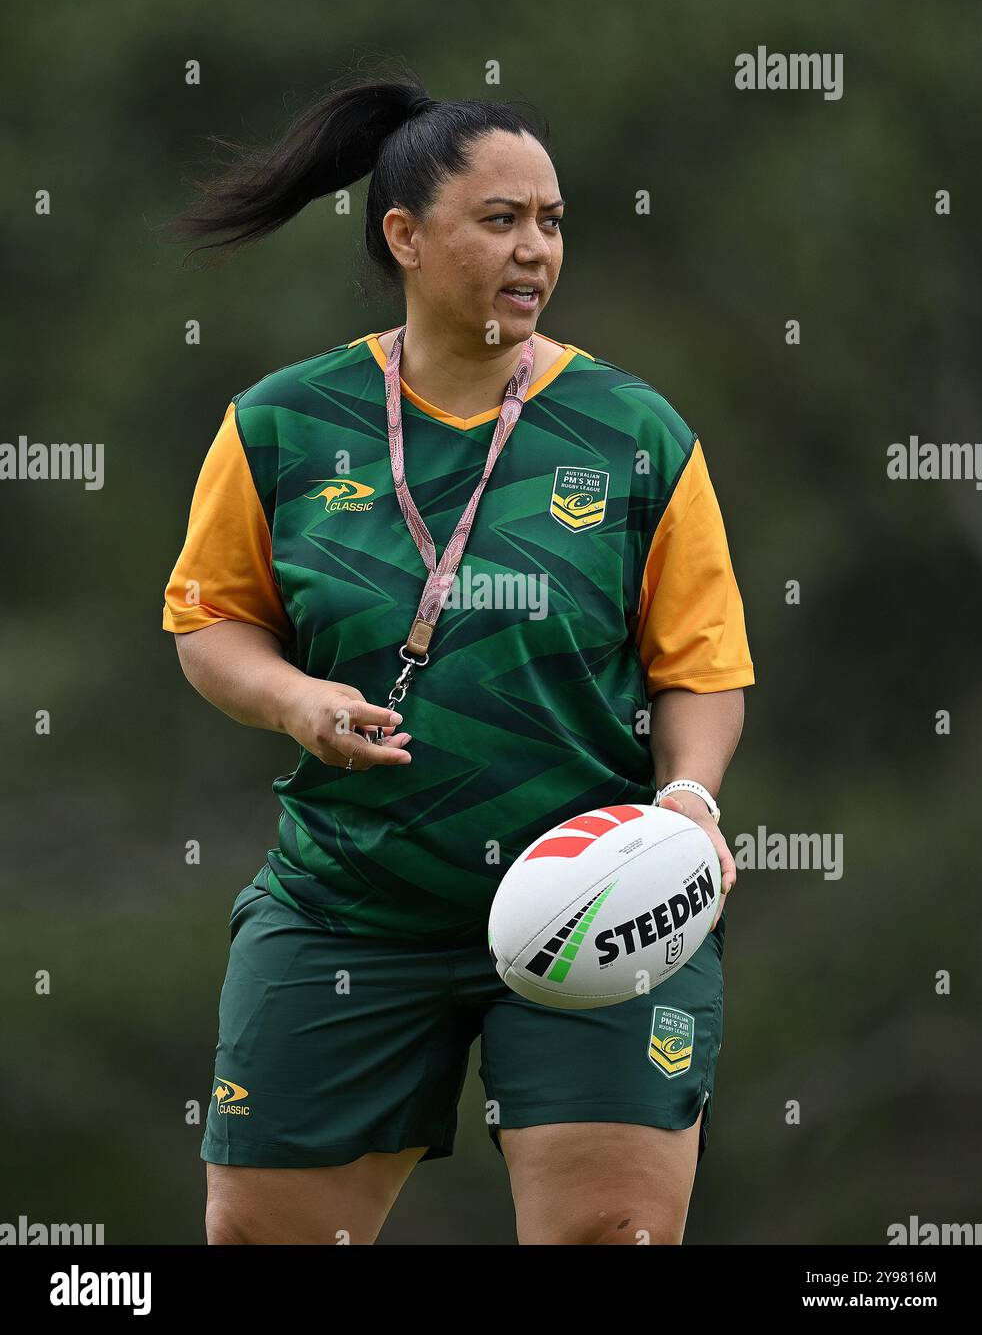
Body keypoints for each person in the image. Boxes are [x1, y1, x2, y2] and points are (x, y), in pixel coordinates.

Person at [161, 65, 755, 1246]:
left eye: (551, 222)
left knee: (613, 1239)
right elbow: (209, 623)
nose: (536, 249)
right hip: (351, 901)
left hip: (603, 899)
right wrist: (294, 702)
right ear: (406, 237)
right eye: (501, 220)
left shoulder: (636, 431)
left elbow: (701, 662)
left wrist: (689, 796)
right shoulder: (280, 422)